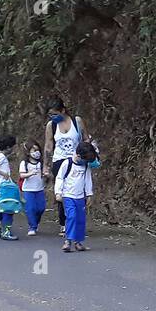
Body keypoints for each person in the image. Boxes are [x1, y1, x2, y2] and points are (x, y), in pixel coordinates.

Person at [43, 99, 88, 236]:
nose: (53, 117)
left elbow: (86, 138)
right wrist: (45, 165)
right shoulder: (51, 125)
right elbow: (48, 146)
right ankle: (64, 223)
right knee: (62, 192)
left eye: (55, 113)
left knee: (78, 191)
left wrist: (88, 155)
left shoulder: (77, 121)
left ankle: (76, 221)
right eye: (50, 115)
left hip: (76, 161)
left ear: (63, 110)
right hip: (59, 162)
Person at [54, 141, 95, 253]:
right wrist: (58, 192)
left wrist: (89, 194)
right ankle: (68, 241)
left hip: (80, 197)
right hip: (68, 196)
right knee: (71, 216)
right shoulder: (67, 163)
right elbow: (59, 178)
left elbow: (87, 180)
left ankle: (78, 242)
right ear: (78, 155)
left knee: (80, 219)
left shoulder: (85, 166)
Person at [19, 143, 46, 236]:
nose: (37, 152)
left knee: (41, 208)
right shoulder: (24, 163)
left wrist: (46, 175)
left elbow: (47, 175)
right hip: (28, 189)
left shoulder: (41, 163)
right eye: (34, 150)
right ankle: (32, 227)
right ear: (28, 152)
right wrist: (30, 173)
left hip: (40, 189)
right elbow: (22, 175)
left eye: (38, 150)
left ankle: (36, 222)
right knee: (30, 209)